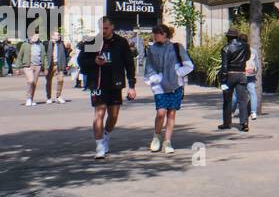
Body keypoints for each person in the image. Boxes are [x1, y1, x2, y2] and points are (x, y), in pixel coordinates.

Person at [77, 17, 138, 159]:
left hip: (115, 83)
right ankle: (99, 145)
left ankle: (106, 134)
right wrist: (94, 61)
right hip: (97, 82)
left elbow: (129, 64)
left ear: (112, 27)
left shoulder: (121, 42)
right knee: (99, 113)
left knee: (114, 115)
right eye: (101, 28)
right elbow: (81, 61)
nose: (103, 31)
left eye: (106, 28)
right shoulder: (92, 42)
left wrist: (132, 86)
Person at [142, 23, 193, 154]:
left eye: (156, 33)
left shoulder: (176, 47)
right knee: (161, 113)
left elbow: (188, 65)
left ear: (164, 34)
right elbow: (149, 67)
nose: (154, 36)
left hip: (175, 85)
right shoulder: (152, 49)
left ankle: (167, 141)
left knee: (171, 113)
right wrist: (155, 79)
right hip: (159, 86)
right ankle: (156, 136)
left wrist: (177, 73)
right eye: (154, 33)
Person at [217, 27, 251, 131]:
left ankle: (227, 123)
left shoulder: (226, 48)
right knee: (243, 100)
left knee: (227, 100)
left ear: (228, 37)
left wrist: (223, 80)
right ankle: (244, 123)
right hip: (241, 74)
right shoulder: (245, 46)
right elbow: (247, 57)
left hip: (230, 75)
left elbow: (225, 66)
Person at [18, 29, 46, 106]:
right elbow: (20, 56)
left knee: (34, 83)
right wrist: (18, 68)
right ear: (31, 36)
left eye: (38, 36)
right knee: (30, 81)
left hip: (38, 66)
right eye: (35, 36)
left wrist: (45, 67)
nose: (37, 37)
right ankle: (28, 98)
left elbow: (44, 56)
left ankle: (31, 99)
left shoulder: (41, 45)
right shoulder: (25, 45)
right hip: (28, 66)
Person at [44, 32, 70, 103]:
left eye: (59, 35)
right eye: (57, 35)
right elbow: (44, 55)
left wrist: (66, 65)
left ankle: (58, 96)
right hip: (50, 65)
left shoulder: (61, 44)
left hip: (59, 64)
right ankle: (49, 97)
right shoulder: (47, 43)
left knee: (61, 80)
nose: (59, 36)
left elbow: (65, 55)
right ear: (52, 36)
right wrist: (45, 67)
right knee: (49, 81)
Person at [243, 37, 259, 121]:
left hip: (241, 74)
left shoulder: (238, 50)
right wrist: (254, 72)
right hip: (251, 75)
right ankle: (253, 112)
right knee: (252, 93)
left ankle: (232, 110)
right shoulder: (253, 51)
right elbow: (257, 65)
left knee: (235, 94)